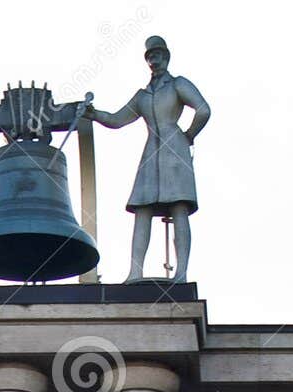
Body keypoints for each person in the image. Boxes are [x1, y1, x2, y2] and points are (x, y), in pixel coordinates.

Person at [88, 37, 210, 283]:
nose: (154, 60)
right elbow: (116, 119)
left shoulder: (177, 85)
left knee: (179, 208)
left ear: (166, 57)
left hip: (175, 150)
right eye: (150, 56)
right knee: (142, 210)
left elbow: (203, 109)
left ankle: (181, 273)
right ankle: (135, 272)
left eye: (158, 55)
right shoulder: (143, 96)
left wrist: (188, 135)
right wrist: (94, 114)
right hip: (151, 153)